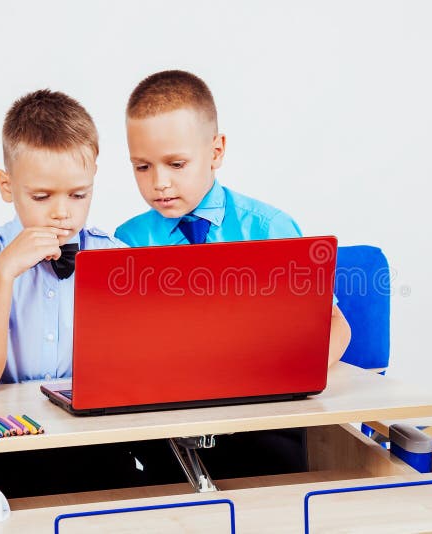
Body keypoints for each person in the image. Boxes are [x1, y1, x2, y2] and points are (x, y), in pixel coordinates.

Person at [115, 70, 352, 478]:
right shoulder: (127, 241)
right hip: (167, 432)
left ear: (216, 150)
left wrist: (284, 379)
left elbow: (335, 326)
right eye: (142, 167)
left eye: (176, 163)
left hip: (265, 426)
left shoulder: (268, 229)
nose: (160, 183)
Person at [0, 89, 182, 497]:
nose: (62, 212)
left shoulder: (116, 258)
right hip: (10, 449)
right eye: (41, 197)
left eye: (79, 195)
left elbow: (145, 365)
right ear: (7, 186)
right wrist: (4, 273)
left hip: (98, 441)